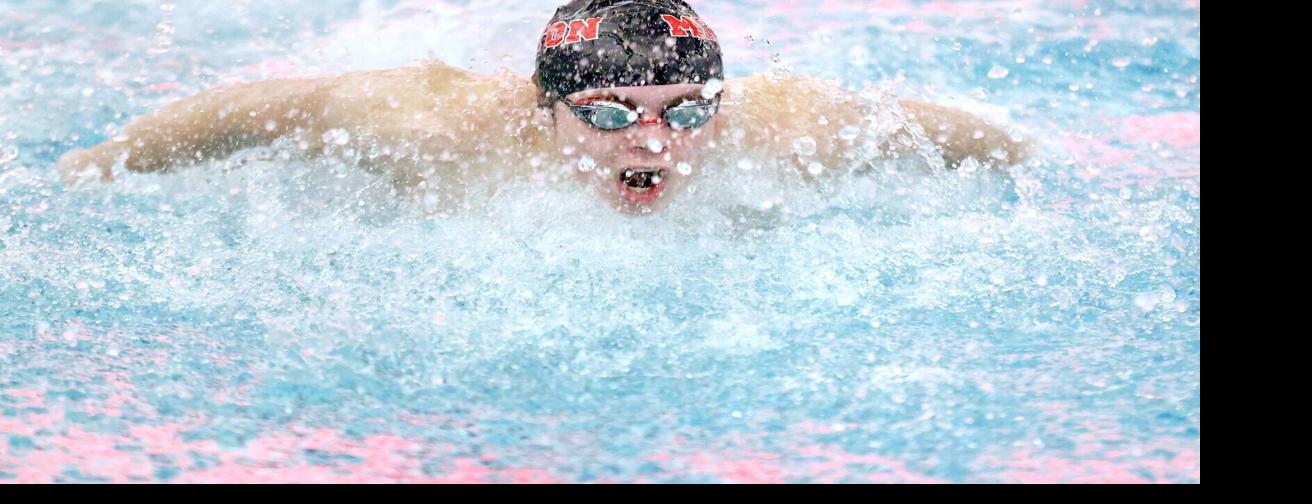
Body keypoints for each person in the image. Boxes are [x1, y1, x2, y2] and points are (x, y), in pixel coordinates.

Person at [56, 0, 1028, 214]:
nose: (654, 139)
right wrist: (91, 170)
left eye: (686, 112)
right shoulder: (428, 126)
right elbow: (258, 109)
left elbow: (958, 135)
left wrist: (1030, 165)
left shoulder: (785, 125)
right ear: (542, 111)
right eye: (609, 113)